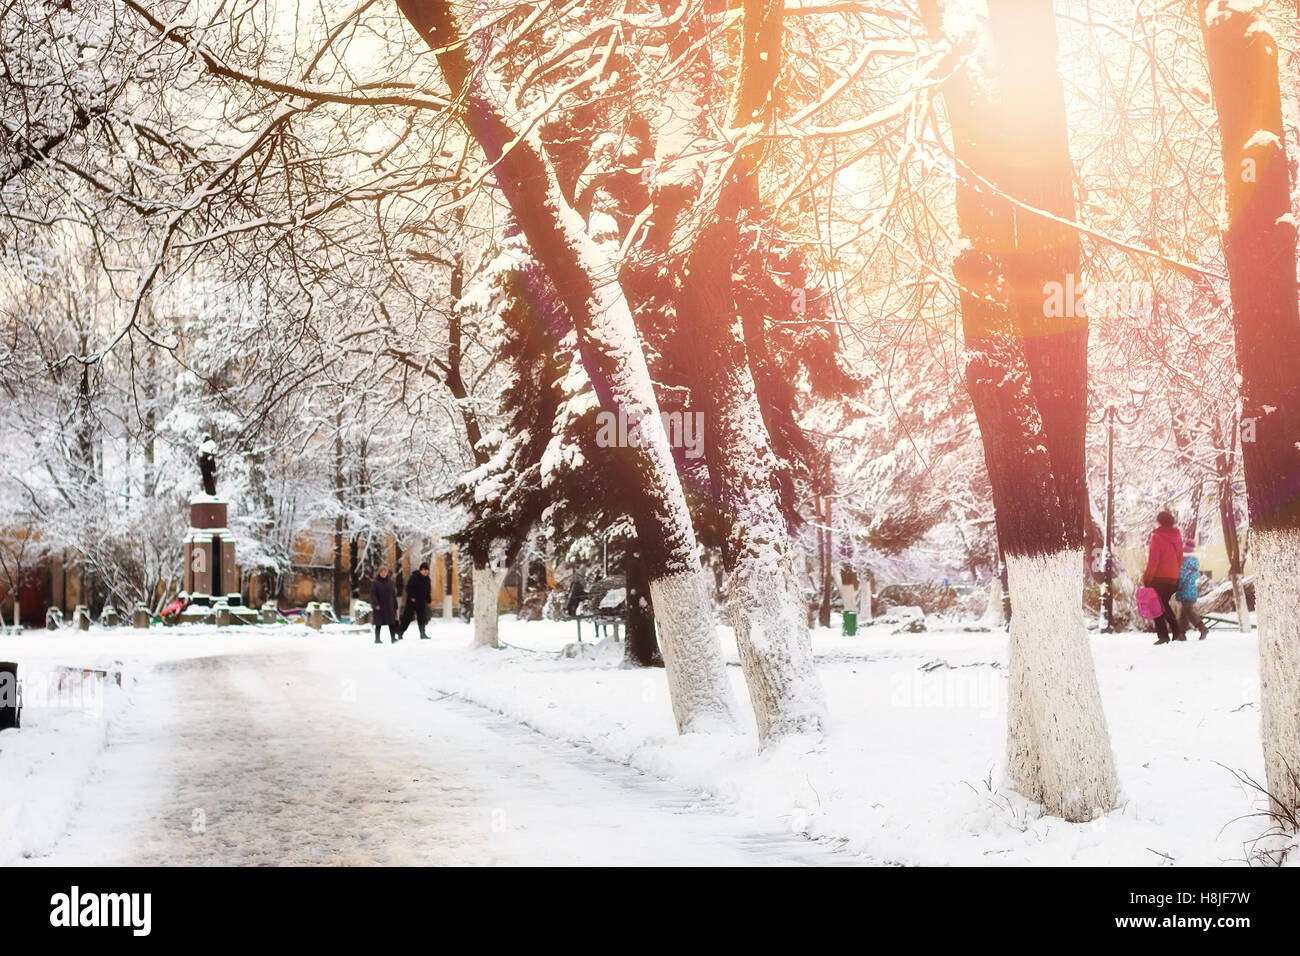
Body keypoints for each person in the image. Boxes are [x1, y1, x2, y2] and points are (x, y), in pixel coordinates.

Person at [1143, 510, 1185, 645]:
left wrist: (1147, 577)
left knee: (1157, 605)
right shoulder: (1177, 536)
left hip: (1158, 577)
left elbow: (1154, 560)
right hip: (1172, 578)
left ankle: (1167, 634)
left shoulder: (1157, 536)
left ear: (1159, 522)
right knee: (1162, 604)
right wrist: (1174, 572)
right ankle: (1175, 633)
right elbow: (1180, 558)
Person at [1176, 540, 1210, 640]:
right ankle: (1181, 634)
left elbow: (1181, 577)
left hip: (1184, 590)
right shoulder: (1194, 563)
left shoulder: (1184, 563)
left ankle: (1202, 628)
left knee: (1188, 611)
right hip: (1191, 590)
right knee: (1184, 611)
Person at [398, 561, 432, 640]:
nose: (426, 572)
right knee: (407, 618)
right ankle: (400, 632)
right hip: (412, 602)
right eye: (424, 570)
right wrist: (412, 597)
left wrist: (429, 600)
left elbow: (428, 591)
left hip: (421, 602)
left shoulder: (427, 579)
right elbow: (408, 588)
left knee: (422, 618)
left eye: (427, 570)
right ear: (420, 570)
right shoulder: (414, 577)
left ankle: (422, 634)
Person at [370, 566, 398, 645]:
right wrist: (375, 604)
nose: (383, 573)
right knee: (378, 623)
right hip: (379, 606)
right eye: (382, 572)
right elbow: (373, 595)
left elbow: (393, 594)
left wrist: (395, 605)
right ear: (379, 573)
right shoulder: (375, 583)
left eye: (385, 572)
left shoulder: (390, 582)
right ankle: (377, 639)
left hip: (389, 605)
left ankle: (393, 638)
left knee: (391, 622)